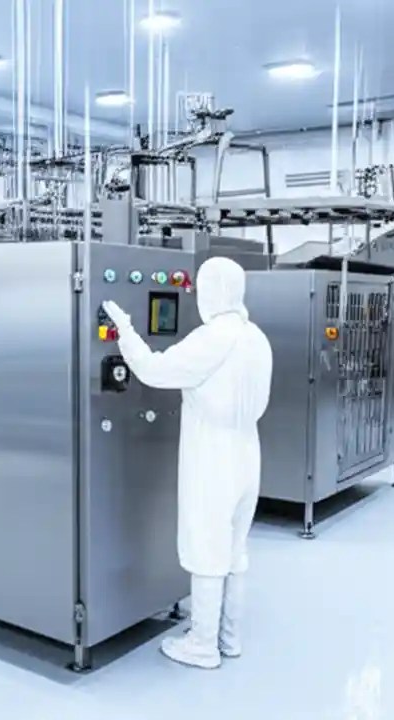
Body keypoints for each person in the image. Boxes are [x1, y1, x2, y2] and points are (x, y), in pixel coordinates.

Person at [102, 256, 273, 670]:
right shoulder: (255, 337)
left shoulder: (213, 337)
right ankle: (228, 638)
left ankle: (202, 645)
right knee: (233, 549)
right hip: (247, 450)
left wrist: (124, 331)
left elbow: (154, 371)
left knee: (206, 548)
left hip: (213, 453)